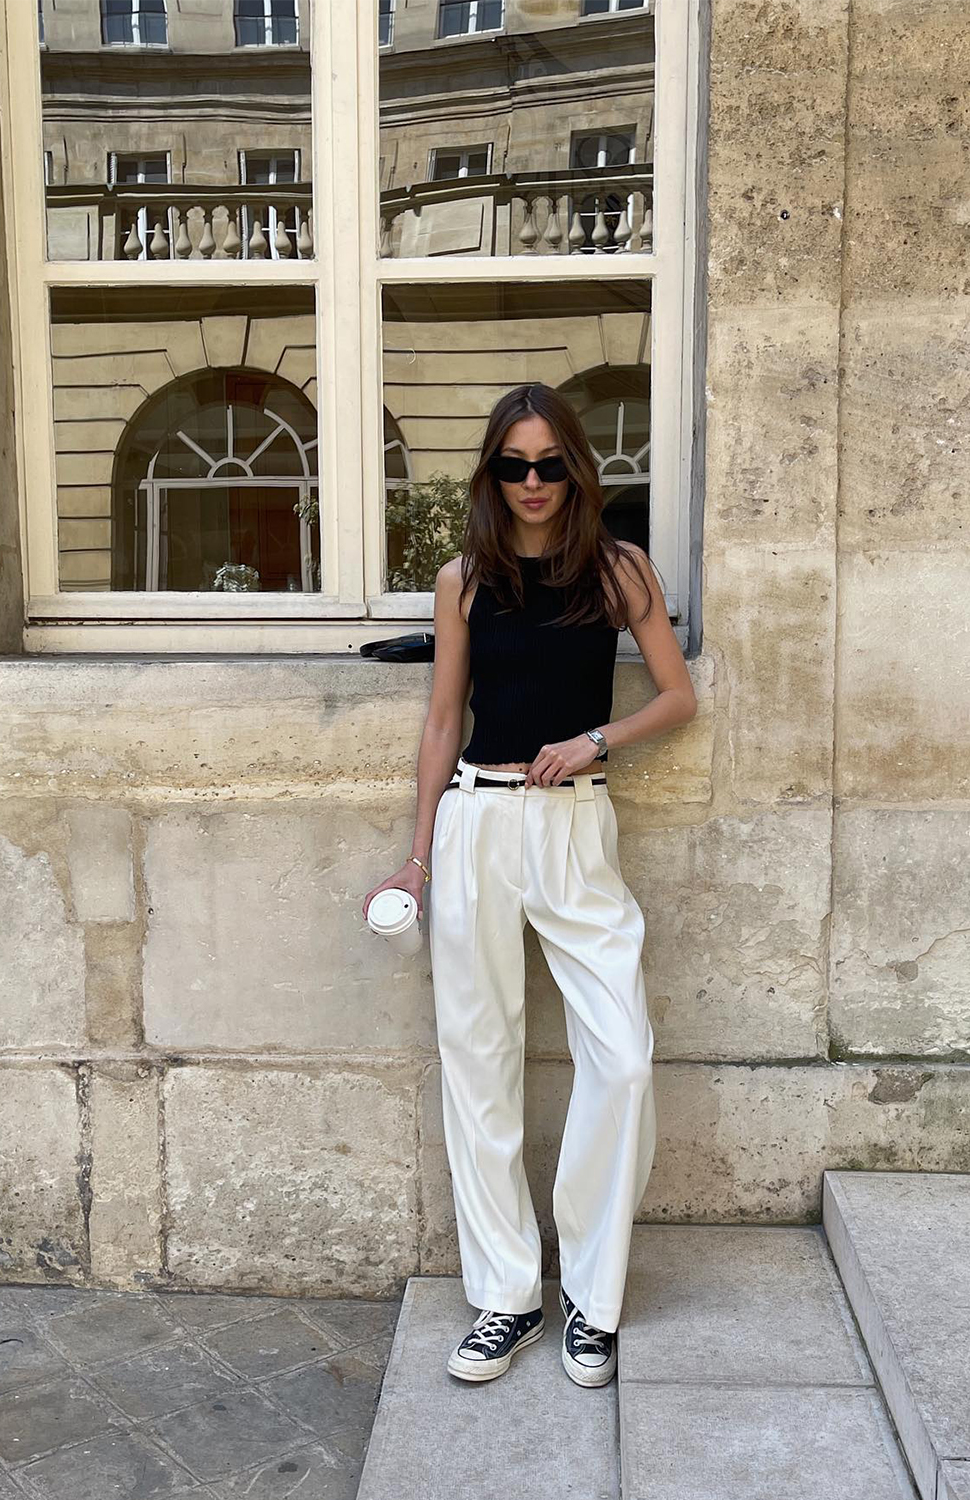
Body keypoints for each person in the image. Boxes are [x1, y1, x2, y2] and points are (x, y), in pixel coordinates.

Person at [362, 382, 697, 1387]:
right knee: (478, 1059)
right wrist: (418, 855)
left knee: (622, 1059)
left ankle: (590, 1299)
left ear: (576, 469)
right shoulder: (463, 578)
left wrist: (595, 737)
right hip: (476, 822)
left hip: (575, 827)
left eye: (551, 463)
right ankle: (505, 1295)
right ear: (491, 474)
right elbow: (440, 721)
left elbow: (676, 696)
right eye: (515, 464)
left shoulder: (618, 568)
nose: (534, 481)